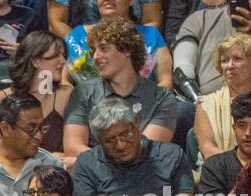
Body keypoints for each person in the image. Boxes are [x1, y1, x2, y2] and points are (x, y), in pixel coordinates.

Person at [63, 19, 178, 159]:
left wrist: (94, 161)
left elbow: (143, 151)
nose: (95, 57)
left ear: (127, 50)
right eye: (94, 50)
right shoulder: (83, 92)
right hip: (97, 177)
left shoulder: (161, 97)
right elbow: (73, 148)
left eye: (104, 49)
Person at [70, 99, 192, 196]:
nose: (120, 145)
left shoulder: (170, 155)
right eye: (110, 140)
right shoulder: (87, 163)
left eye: (125, 134)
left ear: (136, 124)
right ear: (99, 141)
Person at [0, 31, 75, 168]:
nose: (63, 61)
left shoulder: (66, 95)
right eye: (56, 56)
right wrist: (48, 159)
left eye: (63, 55)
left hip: (56, 176)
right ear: (35, 61)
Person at [193, 33, 251, 161]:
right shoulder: (205, 105)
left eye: (237, 59)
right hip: (218, 175)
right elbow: (208, 149)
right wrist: (241, 169)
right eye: (224, 60)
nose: (229, 66)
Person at [65, 0, 171, 87]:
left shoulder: (150, 35)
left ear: (132, 0)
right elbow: (63, 82)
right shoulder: (76, 36)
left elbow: (166, 81)